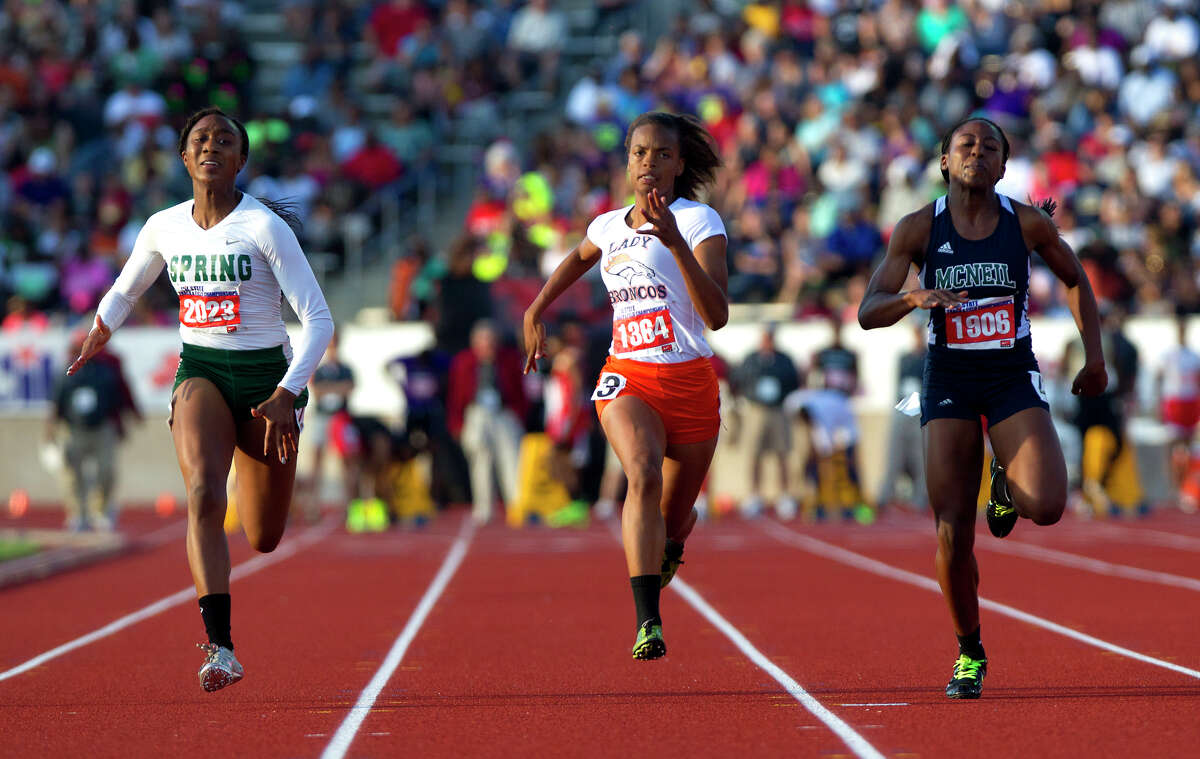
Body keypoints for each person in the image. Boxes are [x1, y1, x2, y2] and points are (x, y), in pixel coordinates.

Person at [68, 107, 334, 692]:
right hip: (203, 370)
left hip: (269, 382)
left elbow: (318, 319)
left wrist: (288, 394)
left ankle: (250, 457)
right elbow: (125, 289)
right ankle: (221, 646)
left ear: (241, 161)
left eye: (224, 140)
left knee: (263, 537)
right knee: (202, 492)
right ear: (184, 158)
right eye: (200, 140)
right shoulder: (163, 226)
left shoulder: (266, 228)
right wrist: (97, 332)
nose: (211, 146)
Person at [857, 117, 1106, 699]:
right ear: (945, 161)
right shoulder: (918, 227)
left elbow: (1075, 279)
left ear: (1003, 166)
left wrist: (1094, 358)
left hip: (1010, 373)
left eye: (989, 146)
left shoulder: (1025, 223)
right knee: (951, 531)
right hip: (948, 378)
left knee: (1045, 505)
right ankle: (969, 650)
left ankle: (1004, 479)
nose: (976, 151)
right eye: (965, 144)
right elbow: (869, 309)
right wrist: (912, 297)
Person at [523, 111, 727, 660]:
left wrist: (676, 243)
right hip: (628, 375)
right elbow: (577, 259)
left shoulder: (700, 220)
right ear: (628, 161)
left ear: (680, 165)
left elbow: (718, 315)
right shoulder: (609, 225)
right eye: (640, 153)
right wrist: (537, 308)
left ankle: (675, 540)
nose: (650, 163)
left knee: (674, 517)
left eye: (663, 154)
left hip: (690, 383)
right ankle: (648, 622)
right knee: (640, 474)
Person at [47, 331, 141, 531]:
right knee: (72, 475)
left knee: (106, 471)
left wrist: (125, 421)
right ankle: (78, 514)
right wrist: (51, 430)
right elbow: (56, 401)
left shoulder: (107, 370)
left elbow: (119, 396)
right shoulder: (66, 371)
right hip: (73, 429)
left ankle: (101, 510)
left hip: (103, 428)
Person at [447, 319, 527, 524]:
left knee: (512, 459)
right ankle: (483, 508)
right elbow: (456, 395)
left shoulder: (509, 359)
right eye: (482, 340)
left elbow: (520, 390)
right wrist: (457, 424)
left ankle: (516, 505)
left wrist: (518, 414)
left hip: (504, 412)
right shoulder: (464, 361)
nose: (487, 344)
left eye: (490, 339)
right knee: (480, 459)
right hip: (477, 413)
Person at [732, 325, 801, 519]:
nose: (767, 341)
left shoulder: (784, 359)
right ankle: (754, 495)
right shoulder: (751, 359)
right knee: (754, 453)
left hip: (778, 410)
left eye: (770, 337)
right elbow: (739, 379)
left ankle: (785, 495)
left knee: (782, 453)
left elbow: (794, 381)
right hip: (756, 410)